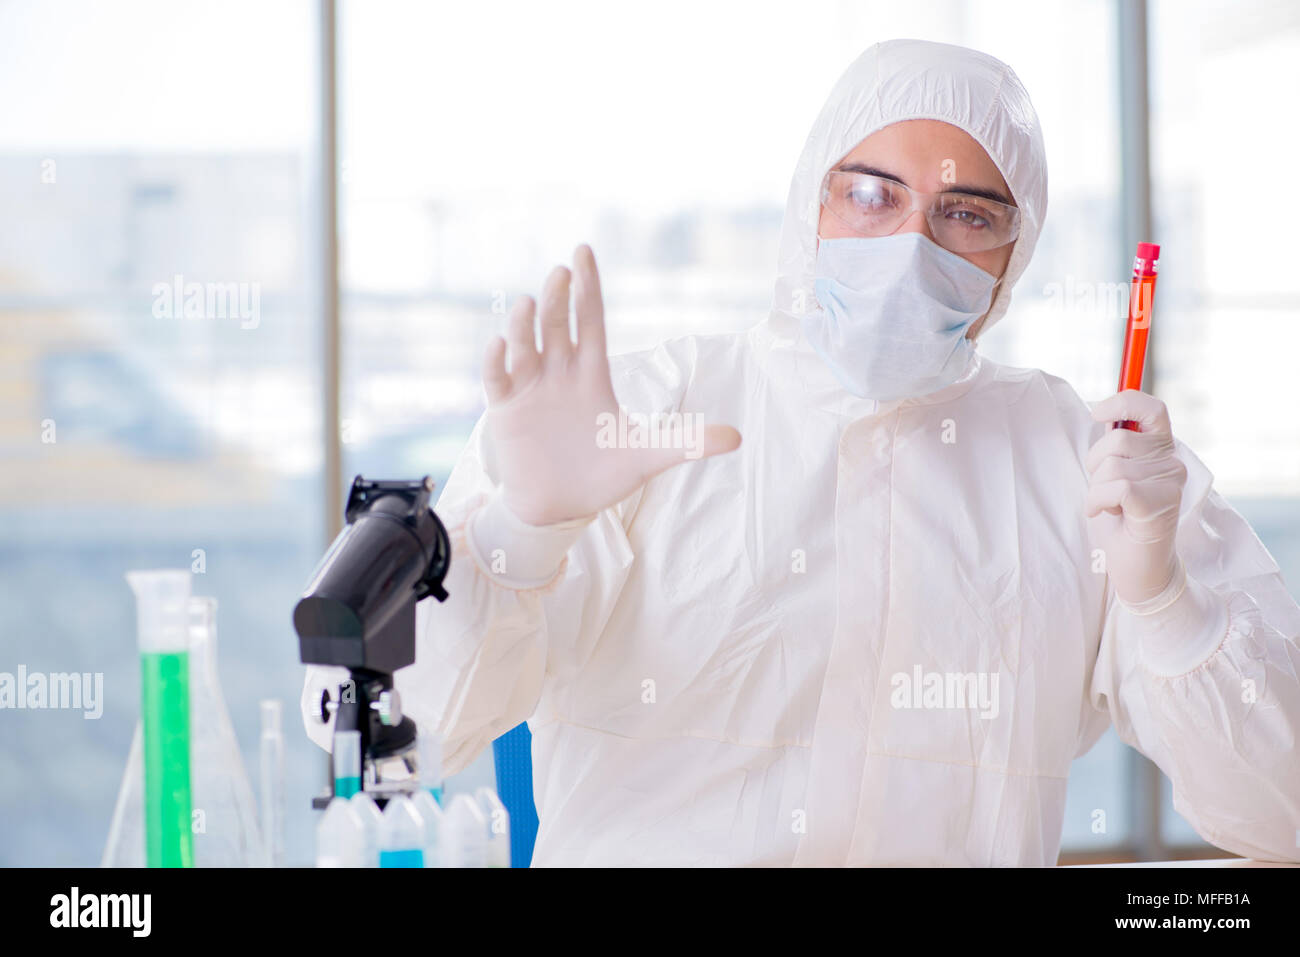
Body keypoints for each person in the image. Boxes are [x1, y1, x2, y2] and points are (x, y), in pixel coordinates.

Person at [302, 39, 1300, 866]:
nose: (912, 243)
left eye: (966, 215)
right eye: (872, 193)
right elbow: (396, 741)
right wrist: (523, 529)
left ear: (1013, 254)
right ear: (808, 204)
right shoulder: (639, 415)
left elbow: (1280, 816)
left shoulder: (1090, 467)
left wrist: (1163, 600)